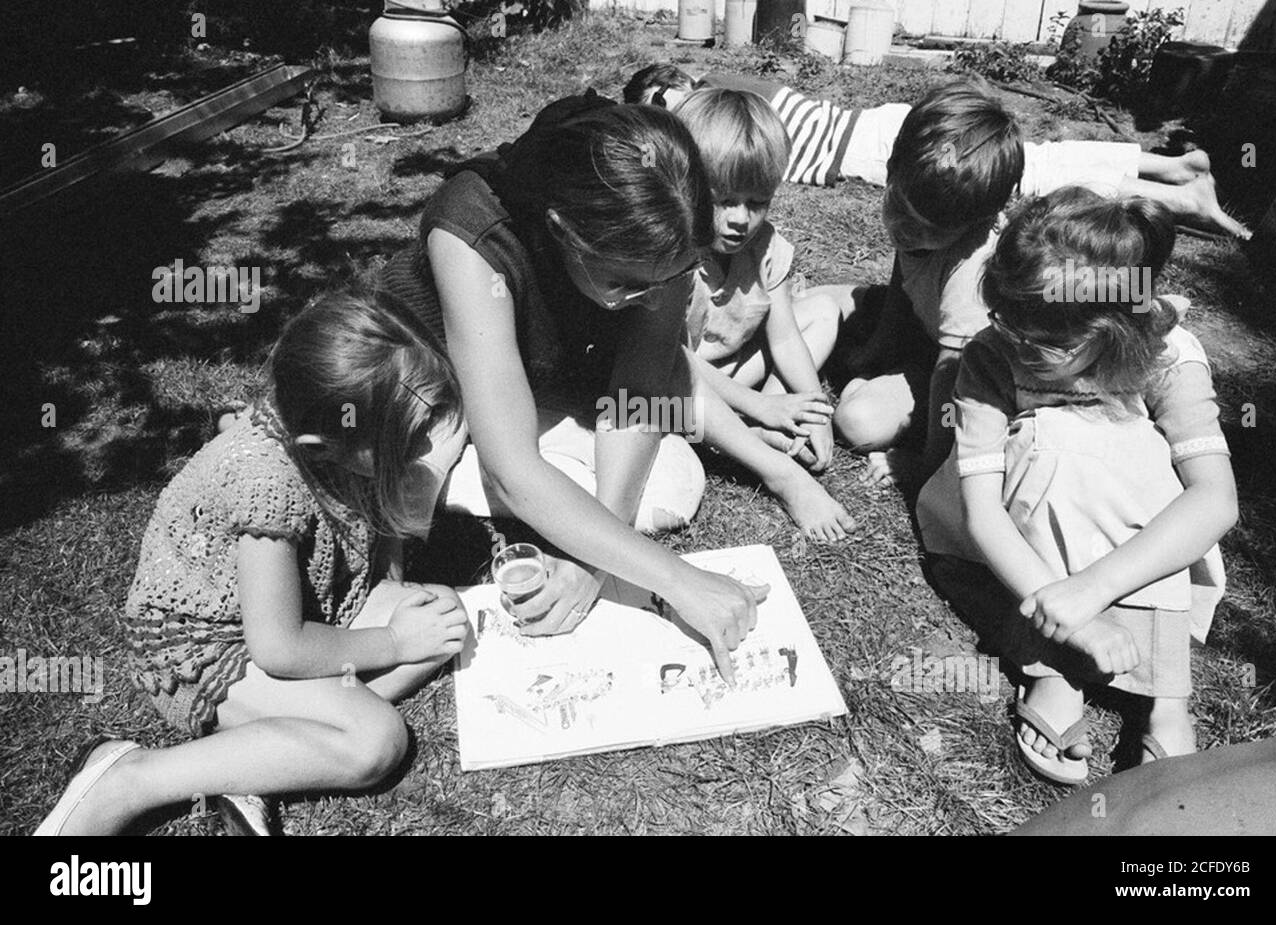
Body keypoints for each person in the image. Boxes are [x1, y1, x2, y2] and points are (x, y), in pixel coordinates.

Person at [35, 291, 471, 835]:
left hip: (314, 607)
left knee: (444, 614)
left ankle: (255, 757)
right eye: (410, 437)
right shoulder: (265, 482)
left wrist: (397, 602)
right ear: (322, 445)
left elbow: (370, 545)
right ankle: (127, 776)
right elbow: (280, 647)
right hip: (207, 648)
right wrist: (394, 645)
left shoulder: (325, 428)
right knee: (376, 741)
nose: (425, 445)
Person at [379, 92, 768, 672]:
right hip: (435, 385)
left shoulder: (669, 219)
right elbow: (509, 470)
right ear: (562, 230)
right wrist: (676, 578)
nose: (638, 301)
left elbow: (634, 398)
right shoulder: (472, 234)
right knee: (415, 477)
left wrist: (595, 561)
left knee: (673, 480)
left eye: (658, 285)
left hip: (550, 388)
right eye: (623, 285)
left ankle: (570, 521)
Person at [916, 187, 1238, 784]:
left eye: (1049, 341)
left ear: (1114, 325)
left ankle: (1167, 696)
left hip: (1130, 542)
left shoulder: (1167, 356)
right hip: (1014, 534)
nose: (1023, 349)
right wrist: (1076, 616)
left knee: (1132, 443)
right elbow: (982, 512)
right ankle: (1053, 663)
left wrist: (1094, 589)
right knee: (1054, 436)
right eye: (1010, 325)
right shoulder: (993, 355)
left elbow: (1215, 500)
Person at [827, 79, 1246, 485]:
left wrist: (930, 462)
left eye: (927, 229)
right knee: (821, 309)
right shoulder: (931, 206)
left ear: (978, 221)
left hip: (982, 368)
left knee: (859, 422)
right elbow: (904, 277)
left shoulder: (969, 266)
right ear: (891, 169)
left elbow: (951, 376)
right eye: (898, 206)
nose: (904, 231)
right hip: (936, 340)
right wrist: (879, 346)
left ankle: (1146, 309)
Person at [625, 63, 1251, 242]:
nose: (665, 103)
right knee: (1032, 162)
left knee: (1026, 176)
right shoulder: (711, 127)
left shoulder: (726, 100)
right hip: (872, 136)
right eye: (653, 103)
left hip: (867, 141)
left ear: (680, 78)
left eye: (663, 89)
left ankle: (1176, 186)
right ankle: (1169, 168)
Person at [670, 87, 858, 540]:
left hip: (732, 371)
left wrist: (815, 410)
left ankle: (768, 423)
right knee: (657, 406)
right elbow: (674, 360)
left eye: (757, 203)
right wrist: (760, 404)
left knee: (823, 312)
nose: (740, 219)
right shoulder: (673, 252)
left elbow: (786, 336)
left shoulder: (764, 246)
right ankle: (748, 436)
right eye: (723, 200)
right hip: (681, 384)